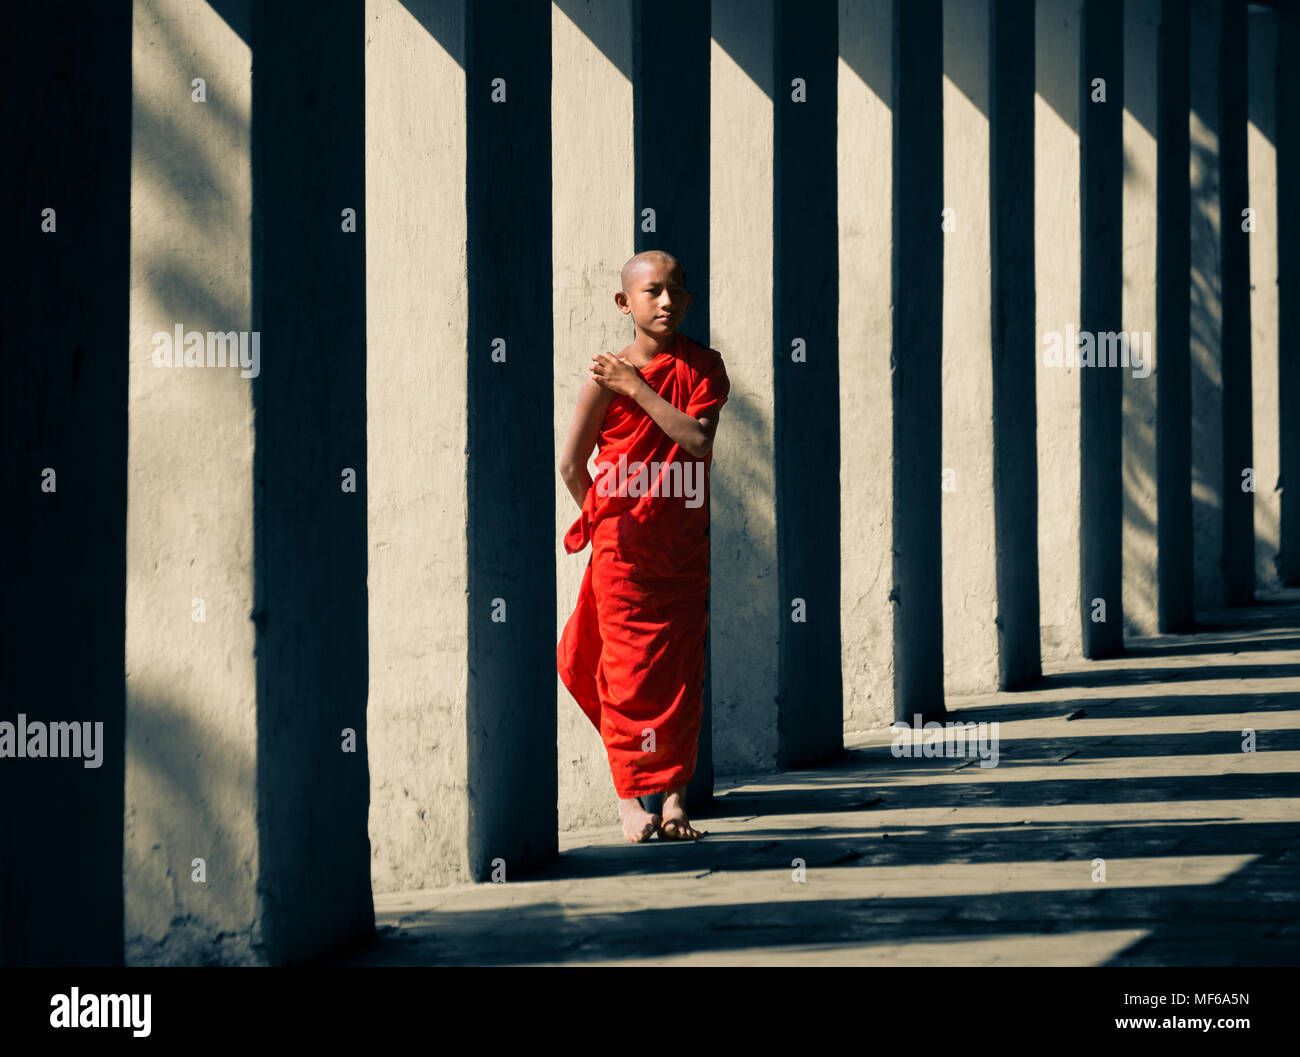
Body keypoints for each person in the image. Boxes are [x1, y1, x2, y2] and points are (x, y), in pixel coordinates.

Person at [557, 250, 730, 843]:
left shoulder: (703, 368)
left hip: (682, 552)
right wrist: (607, 522)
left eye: (676, 291)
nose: (665, 302)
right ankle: (633, 800)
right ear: (623, 302)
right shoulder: (603, 375)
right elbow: (570, 463)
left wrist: (638, 388)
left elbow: (697, 441)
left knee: (680, 673)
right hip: (624, 556)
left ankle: (676, 798)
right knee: (625, 676)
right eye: (652, 291)